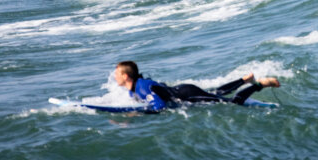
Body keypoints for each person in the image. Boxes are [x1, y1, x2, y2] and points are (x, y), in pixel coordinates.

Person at [113, 61, 279, 112]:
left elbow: (160, 106)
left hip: (186, 94)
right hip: (184, 91)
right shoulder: (136, 88)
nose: (114, 76)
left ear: (126, 76)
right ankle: (244, 80)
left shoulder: (141, 87)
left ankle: (260, 84)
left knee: (230, 102)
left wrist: (136, 113)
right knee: (215, 94)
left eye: (117, 73)